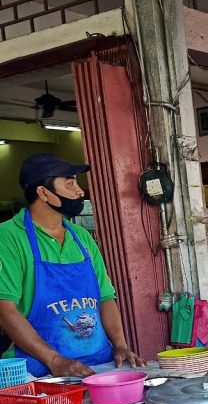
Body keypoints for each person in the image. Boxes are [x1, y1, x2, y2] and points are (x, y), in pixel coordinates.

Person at [0, 153, 144, 378]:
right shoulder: (8, 237)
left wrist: (120, 345)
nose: (79, 191)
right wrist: (55, 360)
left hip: (98, 366)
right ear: (43, 192)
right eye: (70, 184)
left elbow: (105, 298)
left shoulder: (81, 237)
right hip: (40, 373)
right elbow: (5, 310)